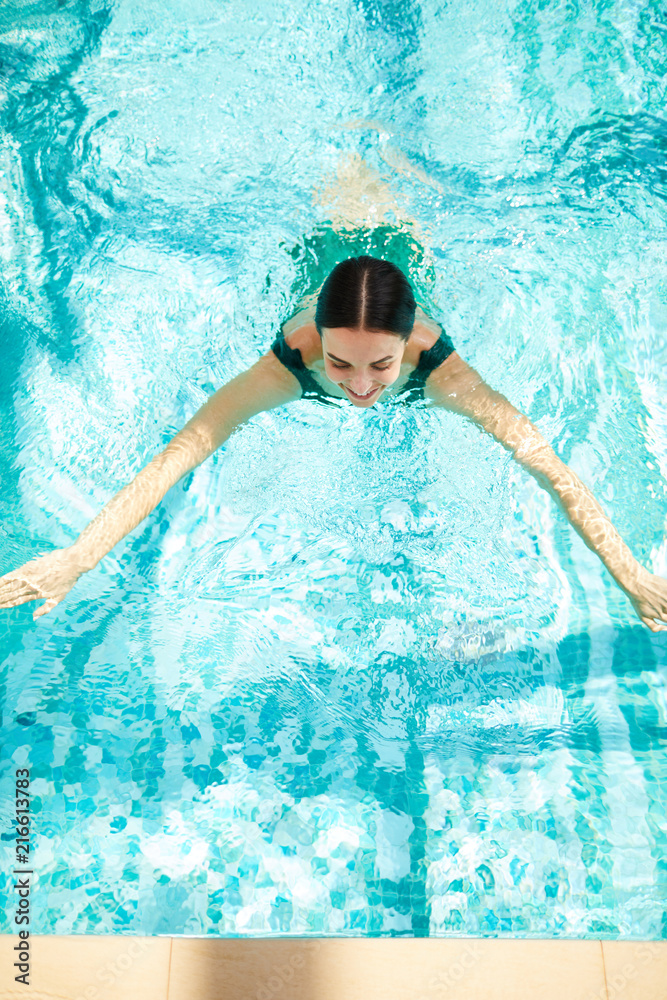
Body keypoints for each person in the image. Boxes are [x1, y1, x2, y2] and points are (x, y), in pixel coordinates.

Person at [1, 251, 667, 631]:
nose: (357, 388)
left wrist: (630, 575)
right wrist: (79, 557)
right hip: (322, 262)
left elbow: (545, 463)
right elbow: (183, 451)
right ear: (318, 340)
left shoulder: (445, 373)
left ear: (408, 344)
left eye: (381, 366)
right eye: (339, 364)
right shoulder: (286, 363)